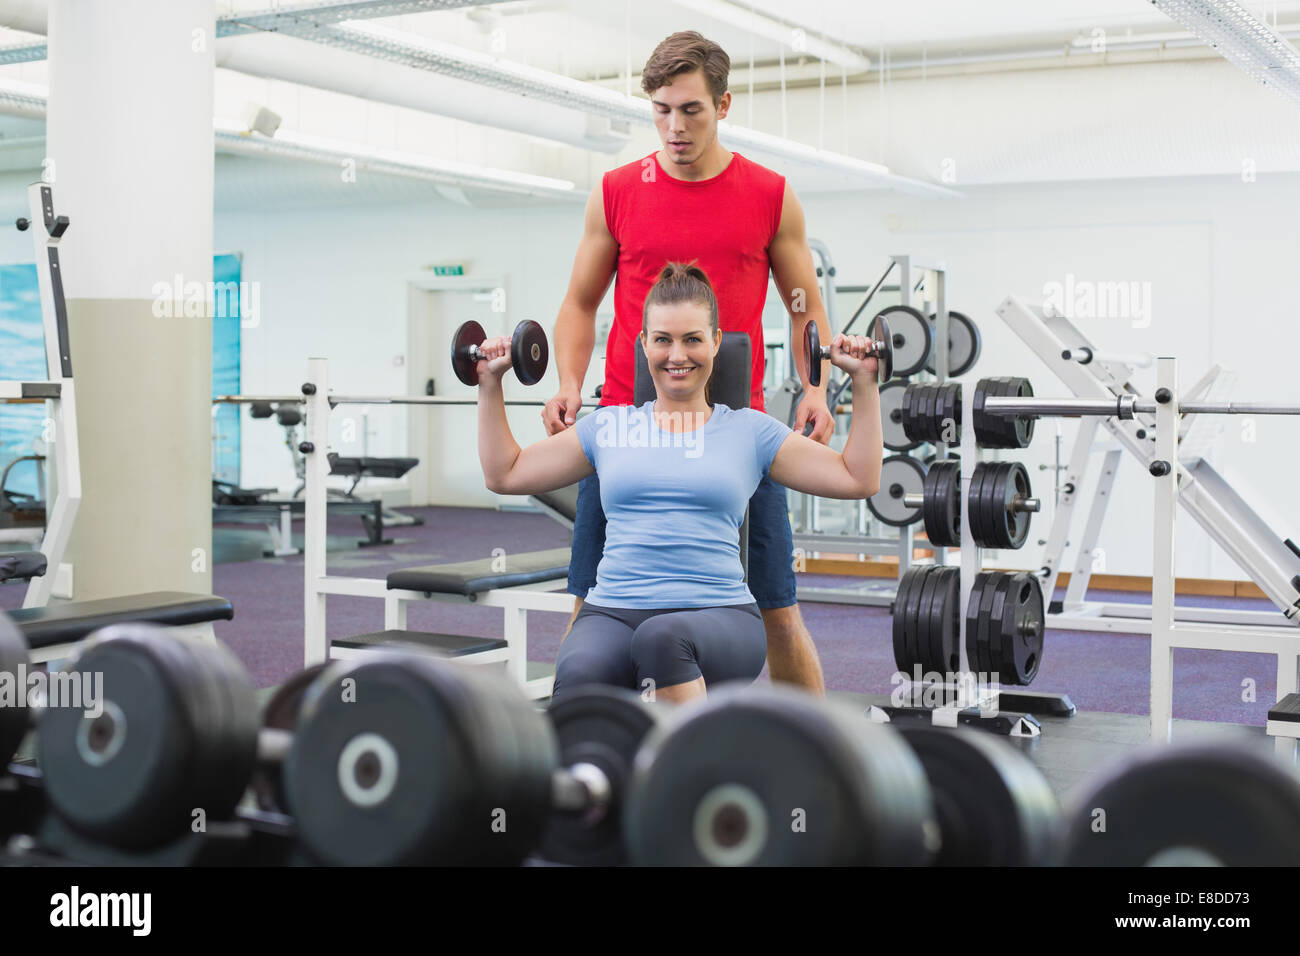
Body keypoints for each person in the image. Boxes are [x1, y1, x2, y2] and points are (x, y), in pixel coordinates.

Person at [541, 30, 838, 693]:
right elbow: (579, 304)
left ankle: (814, 752)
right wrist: (568, 380)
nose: (674, 127)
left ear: (724, 105)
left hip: (737, 433)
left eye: (692, 110)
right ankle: (586, 744)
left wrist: (816, 387)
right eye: (662, 110)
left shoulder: (769, 194)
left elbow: (802, 305)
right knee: (592, 602)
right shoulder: (617, 191)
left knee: (777, 607)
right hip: (626, 427)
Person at [477, 262, 881, 703]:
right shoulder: (609, 427)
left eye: (692, 339)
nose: (677, 355)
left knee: (662, 640)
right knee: (580, 670)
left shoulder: (750, 431)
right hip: (614, 610)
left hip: (720, 614)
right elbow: (505, 473)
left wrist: (864, 382)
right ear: (644, 344)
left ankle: (687, 766)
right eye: (663, 340)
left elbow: (857, 478)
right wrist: (489, 383)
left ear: (715, 342)